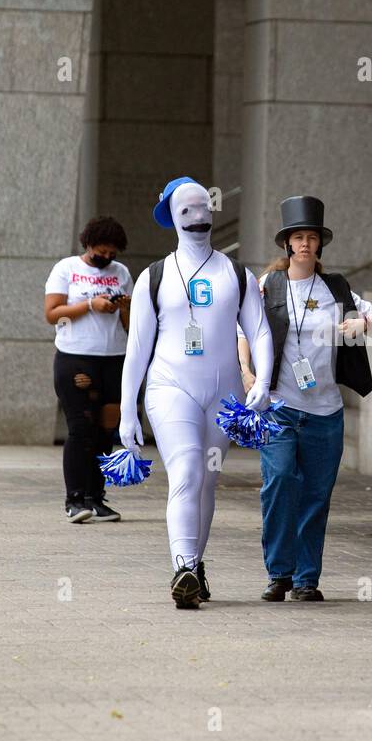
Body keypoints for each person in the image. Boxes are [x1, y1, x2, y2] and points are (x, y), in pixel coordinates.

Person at [119, 177, 273, 609]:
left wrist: (261, 379)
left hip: (225, 397)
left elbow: (258, 329)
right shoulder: (154, 278)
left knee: (207, 481)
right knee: (186, 471)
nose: (198, 217)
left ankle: (195, 564)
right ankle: (183, 565)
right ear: (171, 217)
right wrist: (127, 409)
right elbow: (137, 349)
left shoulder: (236, 274)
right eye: (186, 210)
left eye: (204, 207)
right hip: (171, 388)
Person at [238, 196, 372, 602]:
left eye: (311, 237)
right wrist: (247, 373)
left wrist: (362, 321)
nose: (305, 244)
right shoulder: (268, 285)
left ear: (319, 244)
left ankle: (305, 579)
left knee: (316, 495)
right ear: (287, 244)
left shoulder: (336, 287)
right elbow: (244, 331)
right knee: (280, 481)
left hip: (325, 411)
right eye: (298, 237)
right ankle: (278, 572)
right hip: (280, 406)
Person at [44, 217, 132, 523]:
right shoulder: (66, 268)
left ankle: (97, 497)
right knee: (81, 430)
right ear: (88, 245)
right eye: (101, 252)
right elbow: (52, 313)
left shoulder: (121, 273)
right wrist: (91, 306)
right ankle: (75, 499)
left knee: (106, 430)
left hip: (113, 357)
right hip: (75, 358)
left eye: (112, 254)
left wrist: (123, 307)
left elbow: (130, 324)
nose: (106, 259)